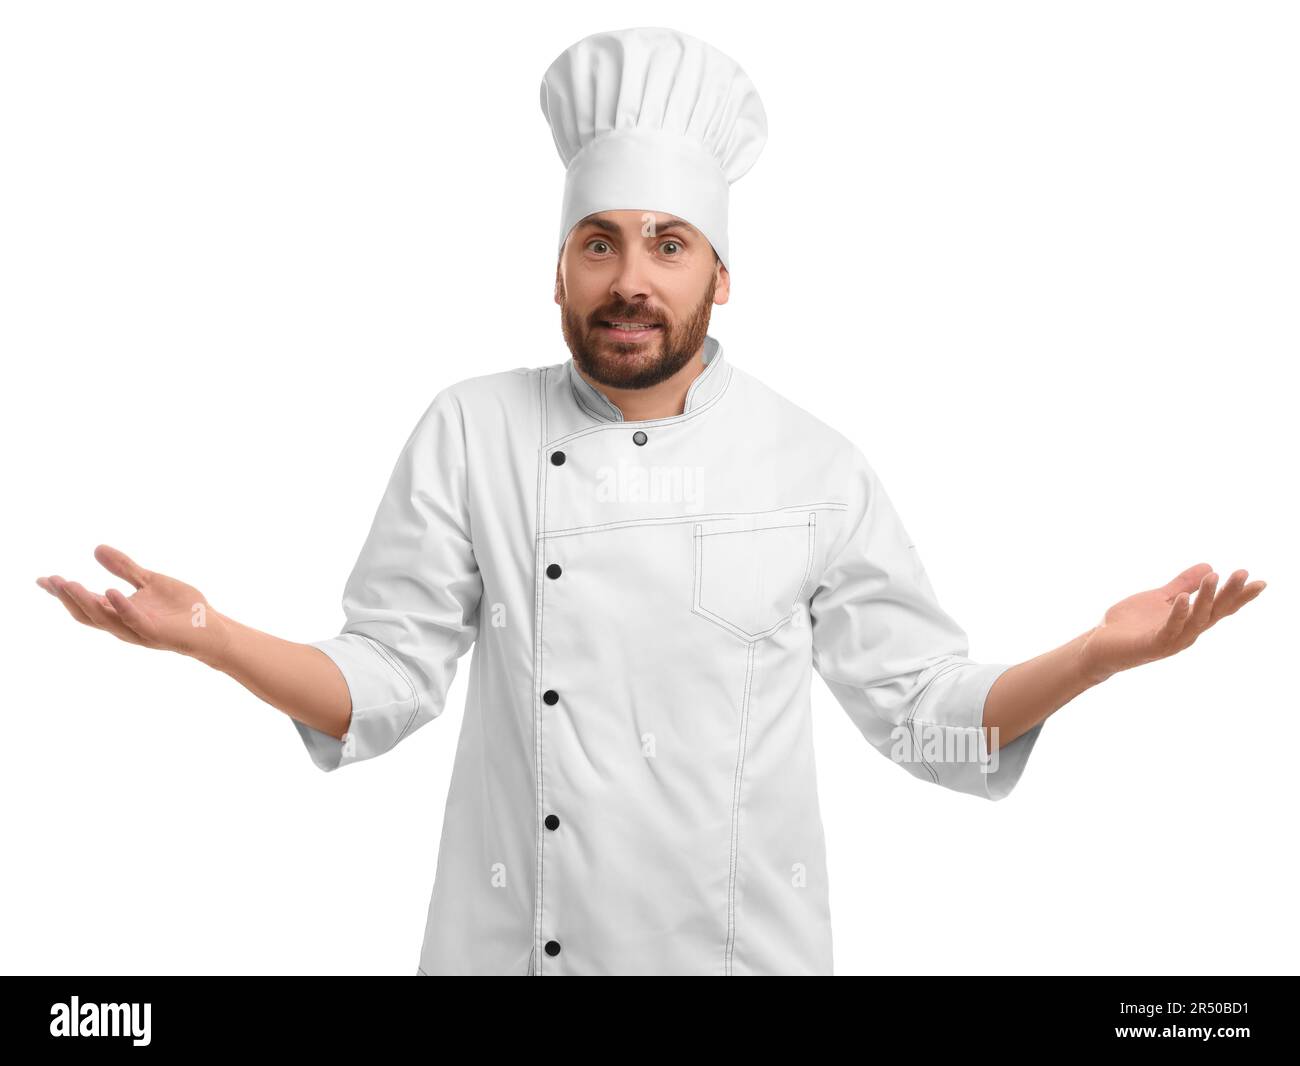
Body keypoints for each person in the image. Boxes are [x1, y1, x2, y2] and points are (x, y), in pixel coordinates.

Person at [36, 26, 1265, 976]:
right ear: (556, 269)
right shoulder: (472, 429)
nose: (631, 281)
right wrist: (213, 642)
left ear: (723, 278)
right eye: (600, 242)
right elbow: (383, 683)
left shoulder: (811, 466)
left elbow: (926, 722)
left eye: (669, 244)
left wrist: (1096, 657)